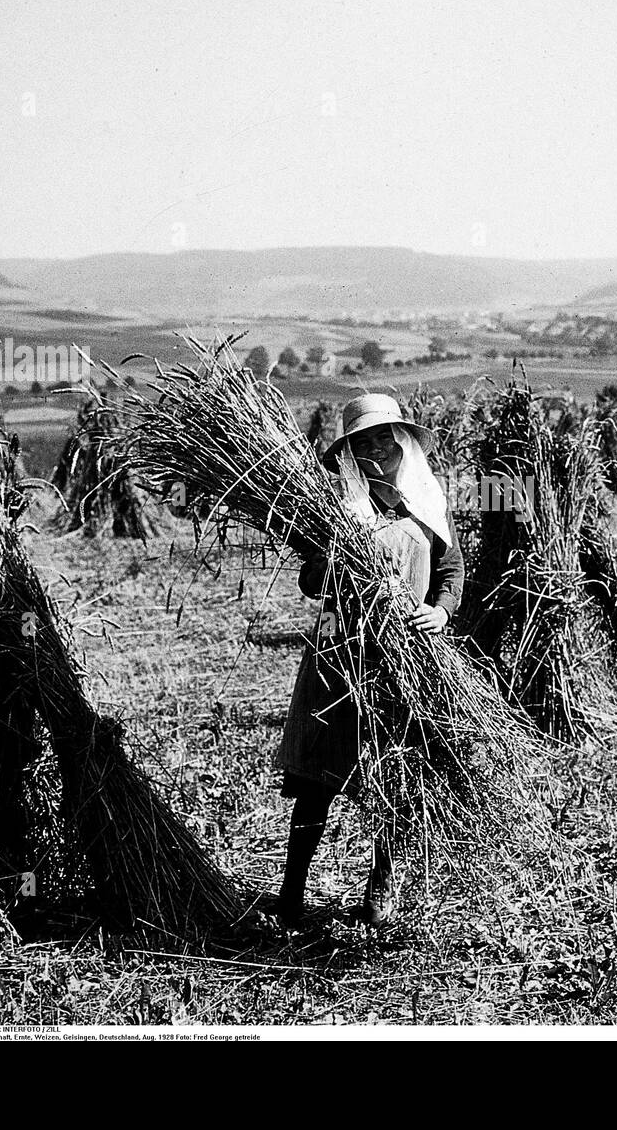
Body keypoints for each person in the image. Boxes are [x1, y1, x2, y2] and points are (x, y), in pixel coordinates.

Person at [273, 393, 463, 927]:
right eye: (364, 443)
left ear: (404, 443)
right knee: (316, 780)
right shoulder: (336, 510)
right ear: (351, 453)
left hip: (407, 658)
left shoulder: (426, 502)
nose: (378, 450)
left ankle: (379, 895)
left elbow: (451, 572)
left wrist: (441, 614)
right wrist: (332, 560)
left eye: (386, 439)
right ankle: (291, 897)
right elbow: (310, 581)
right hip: (341, 656)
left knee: (395, 773)